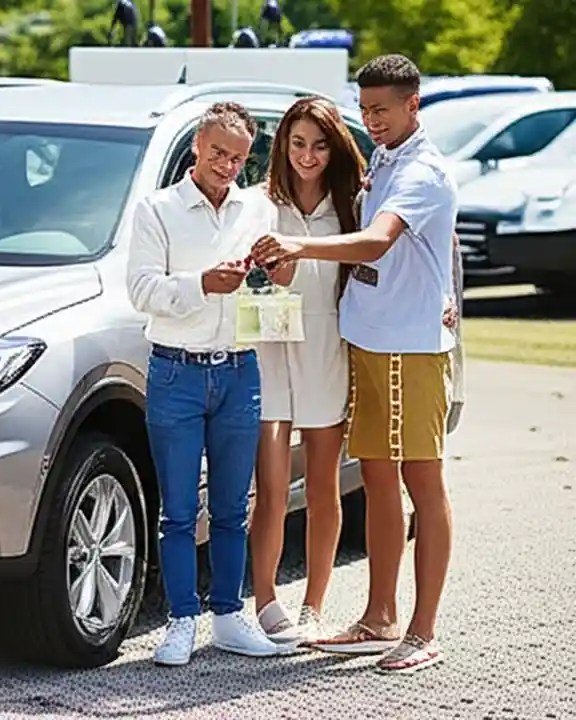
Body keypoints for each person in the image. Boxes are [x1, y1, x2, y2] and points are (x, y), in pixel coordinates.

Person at [250, 53, 458, 674]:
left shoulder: (422, 170)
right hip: (368, 343)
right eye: (365, 110)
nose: (372, 121)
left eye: (383, 111)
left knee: (422, 482)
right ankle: (379, 618)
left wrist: (299, 244)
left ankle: (421, 633)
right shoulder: (384, 163)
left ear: (413, 105)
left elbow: (376, 242)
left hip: (408, 349)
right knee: (376, 480)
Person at [127, 101, 297, 667]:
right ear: (197, 148)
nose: (228, 165)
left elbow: (275, 284)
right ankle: (181, 620)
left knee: (231, 505)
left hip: (239, 370)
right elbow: (141, 290)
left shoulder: (257, 209)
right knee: (178, 510)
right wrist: (202, 283)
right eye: (219, 153)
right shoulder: (158, 209)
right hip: (175, 370)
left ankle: (228, 615)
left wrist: (279, 269)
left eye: (239, 156)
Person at [246, 96, 368, 646]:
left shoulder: (353, 206)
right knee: (270, 488)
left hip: (326, 348)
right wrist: (273, 272)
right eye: (297, 144)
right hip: (269, 350)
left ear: (335, 146)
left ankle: (315, 605)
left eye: (319, 145)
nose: (307, 155)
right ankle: (266, 600)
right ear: (283, 145)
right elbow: (242, 282)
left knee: (323, 486)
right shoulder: (258, 206)